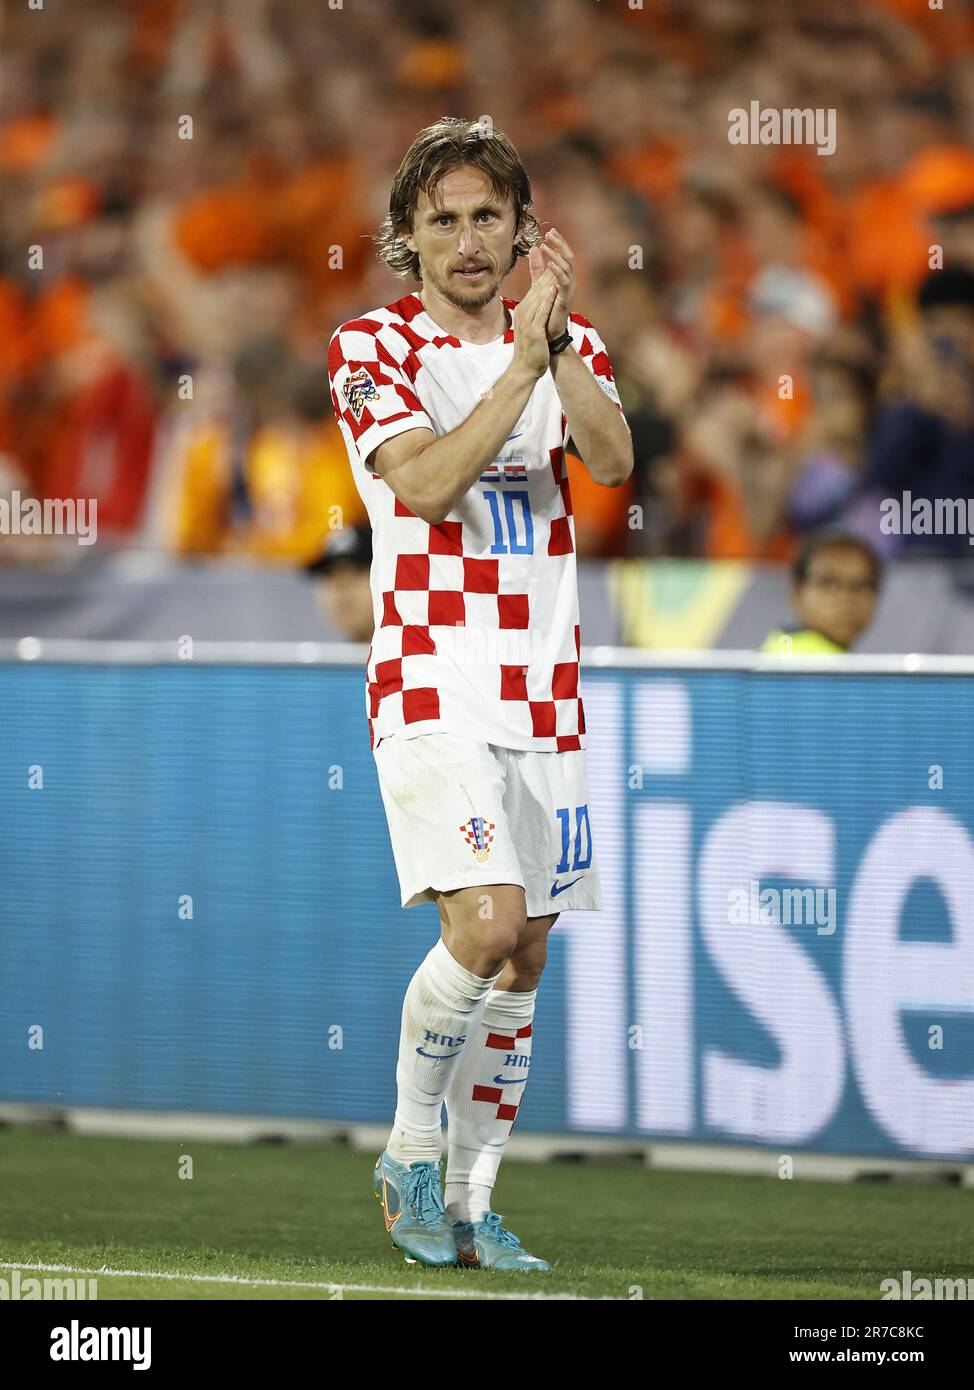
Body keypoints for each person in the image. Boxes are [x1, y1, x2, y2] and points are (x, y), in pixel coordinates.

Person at [327, 117, 633, 1271]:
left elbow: (607, 462)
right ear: (406, 237)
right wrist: (516, 367)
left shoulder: (569, 344)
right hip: (429, 679)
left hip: (544, 689)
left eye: (486, 216)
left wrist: (550, 350)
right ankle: (407, 1151)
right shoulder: (370, 346)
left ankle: (469, 1203)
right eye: (440, 218)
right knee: (486, 922)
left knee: (528, 953)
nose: (465, 237)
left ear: (521, 233)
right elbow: (429, 481)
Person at [761, 530, 882, 654]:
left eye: (860, 587)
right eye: (828, 584)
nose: (845, 598)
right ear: (797, 593)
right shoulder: (796, 658)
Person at [305, 525, 374, 642]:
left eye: (359, 570)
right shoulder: (327, 657)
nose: (342, 585)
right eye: (328, 573)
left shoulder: (411, 657)